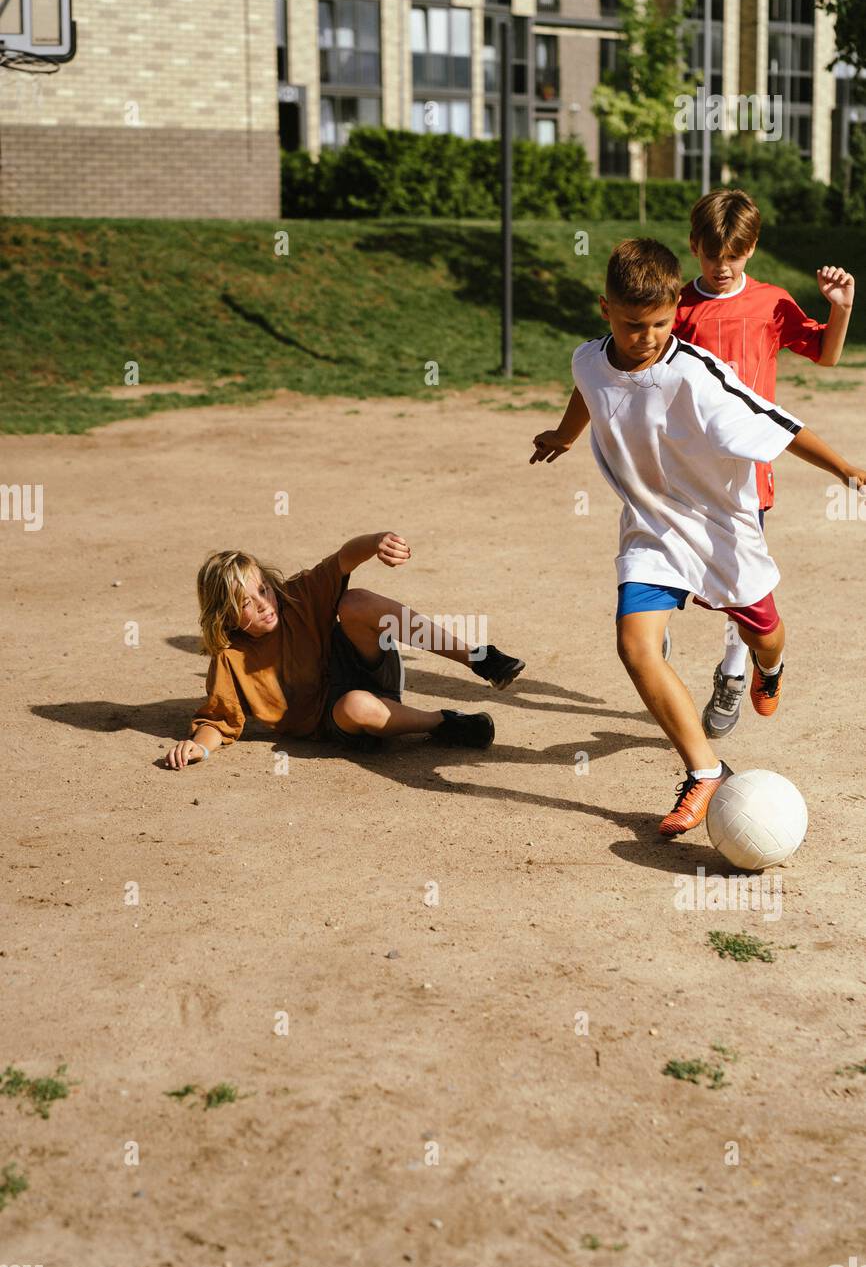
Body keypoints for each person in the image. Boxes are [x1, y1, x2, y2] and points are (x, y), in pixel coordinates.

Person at [530, 238, 865, 837]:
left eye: (661, 323)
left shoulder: (697, 374)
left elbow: (777, 425)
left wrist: (846, 468)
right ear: (605, 309)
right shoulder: (586, 358)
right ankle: (704, 770)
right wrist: (563, 434)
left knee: (764, 631)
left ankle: (771, 666)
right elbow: (589, 388)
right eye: (635, 325)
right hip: (651, 528)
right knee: (635, 647)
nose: (650, 336)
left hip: (720, 528)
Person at [673, 188, 855, 738]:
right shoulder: (676, 306)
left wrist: (840, 309)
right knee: (674, 576)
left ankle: (735, 670)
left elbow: (826, 354)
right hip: (685, 473)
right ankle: (658, 664)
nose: (721, 267)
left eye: (733, 256)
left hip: (749, 477)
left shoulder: (772, 303)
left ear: (751, 249)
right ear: (694, 246)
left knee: (739, 581)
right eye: (710, 255)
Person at [164, 531, 524, 768]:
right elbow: (219, 720)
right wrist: (201, 746)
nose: (262, 603)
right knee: (356, 705)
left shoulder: (296, 596)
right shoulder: (231, 658)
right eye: (245, 602)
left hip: (365, 664)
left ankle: (479, 658)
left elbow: (343, 558)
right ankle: (444, 722)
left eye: (262, 590)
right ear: (223, 615)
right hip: (336, 718)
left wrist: (377, 542)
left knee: (354, 602)